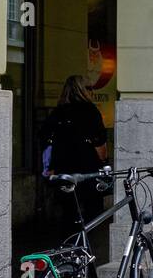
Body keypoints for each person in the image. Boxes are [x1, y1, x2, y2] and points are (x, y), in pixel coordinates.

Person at [39, 75, 108, 220]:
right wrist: (103, 161)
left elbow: (44, 139)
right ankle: (85, 240)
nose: (92, 92)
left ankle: (69, 240)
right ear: (82, 90)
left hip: (63, 169)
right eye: (89, 88)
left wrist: (50, 166)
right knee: (92, 211)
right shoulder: (90, 111)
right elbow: (99, 142)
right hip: (87, 168)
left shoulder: (57, 113)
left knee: (68, 210)